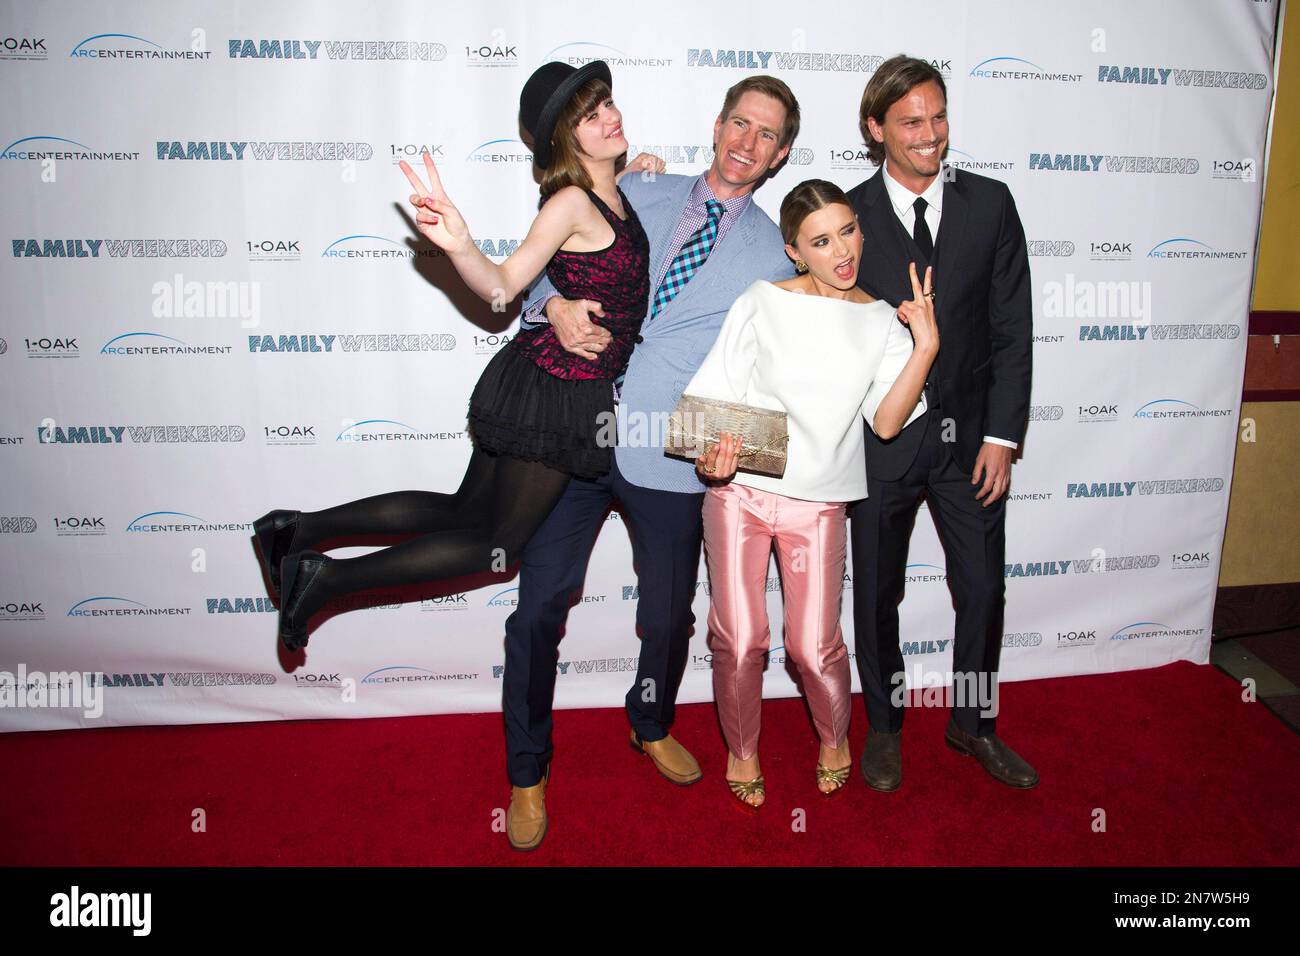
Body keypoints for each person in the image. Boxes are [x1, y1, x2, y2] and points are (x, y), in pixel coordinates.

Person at [252, 61, 661, 651]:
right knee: (497, 545)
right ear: (566, 140)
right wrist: (463, 246)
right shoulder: (571, 201)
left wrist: (642, 167)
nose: (609, 118)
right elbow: (502, 286)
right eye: (590, 117)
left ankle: (296, 530)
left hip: (550, 380)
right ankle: (325, 578)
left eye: (607, 105)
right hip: (556, 387)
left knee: (464, 511)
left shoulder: (614, 193)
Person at [499, 76, 800, 849]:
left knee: (667, 616)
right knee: (538, 608)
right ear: (717, 123)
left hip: (672, 450)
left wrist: (737, 444)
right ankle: (527, 772)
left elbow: (763, 374)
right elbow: (537, 272)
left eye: (766, 135)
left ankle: (651, 719)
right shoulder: (638, 186)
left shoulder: (773, 252)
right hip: (575, 426)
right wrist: (551, 307)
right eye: (739, 122)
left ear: (781, 154)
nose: (746, 142)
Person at [686, 180, 936, 808]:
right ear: (796, 252)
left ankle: (834, 738)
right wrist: (712, 458)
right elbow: (711, 398)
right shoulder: (761, 301)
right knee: (739, 639)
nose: (841, 251)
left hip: (820, 500)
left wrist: (925, 346)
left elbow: (886, 421)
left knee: (811, 645)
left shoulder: (881, 320)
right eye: (821, 241)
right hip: (739, 493)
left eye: (847, 231)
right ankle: (742, 753)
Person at [845, 55, 1037, 790]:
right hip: (881, 442)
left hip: (971, 445)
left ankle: (973, 726)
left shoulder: (990, 203)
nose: (931, 135)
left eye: (939, 117)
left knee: (983, 588)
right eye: (911, 122)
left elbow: (1011, 329)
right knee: (875, 596)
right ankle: (886, 727)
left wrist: (1002, 436)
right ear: (876, 129)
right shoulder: (848, 216)